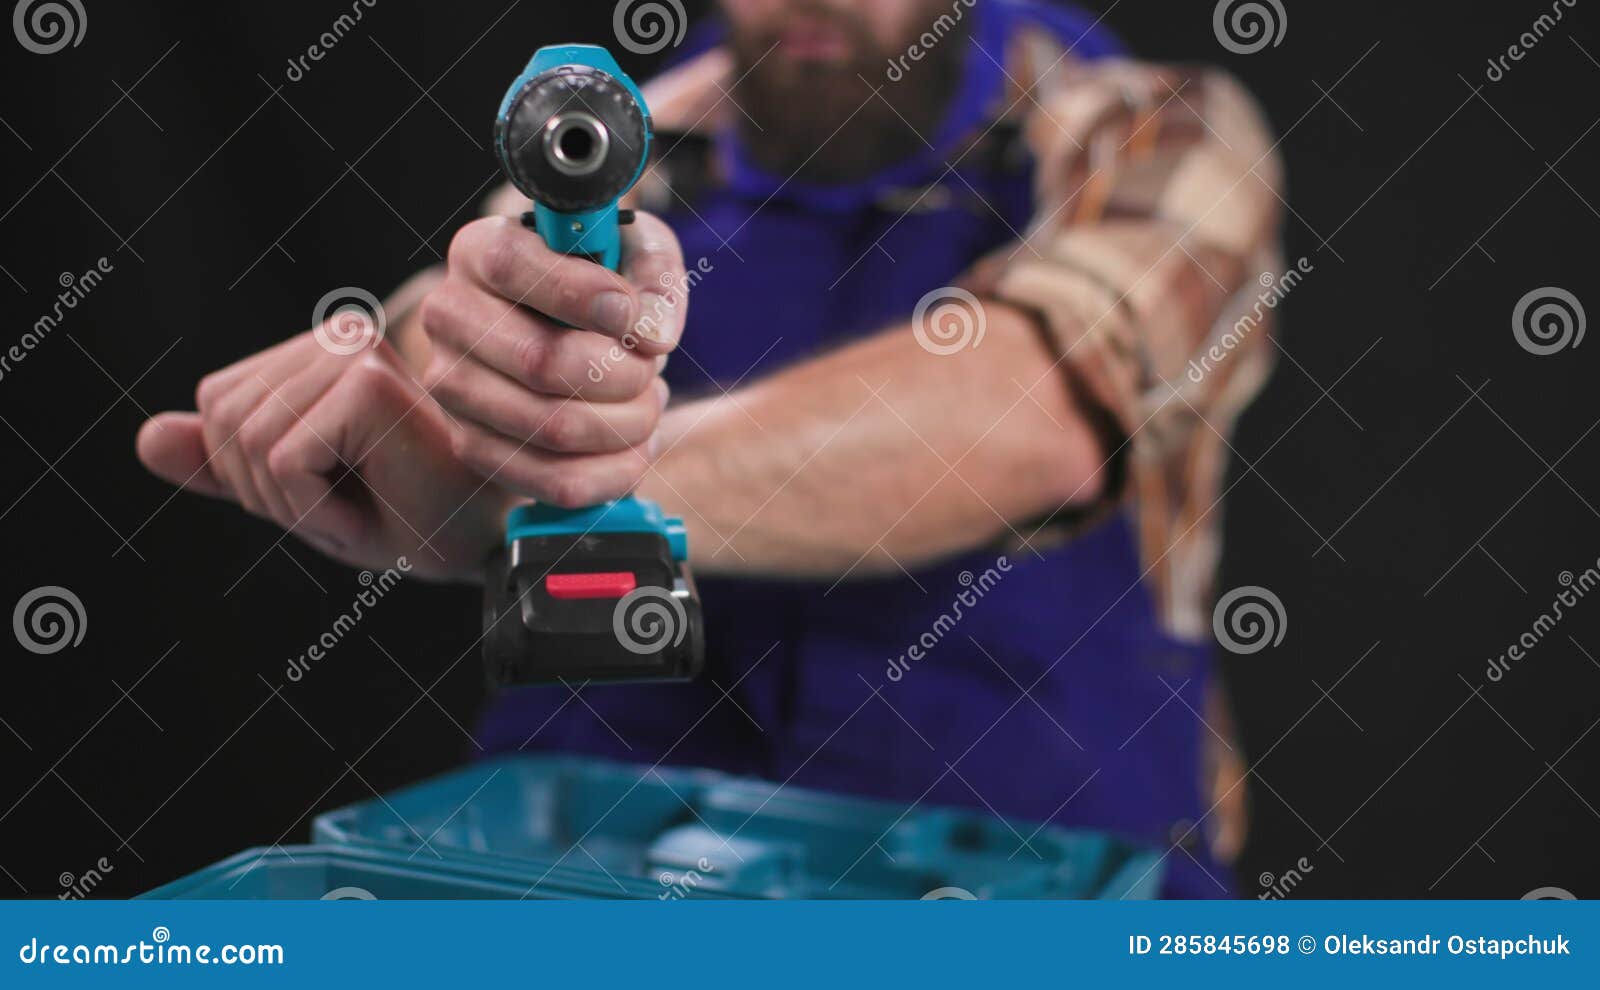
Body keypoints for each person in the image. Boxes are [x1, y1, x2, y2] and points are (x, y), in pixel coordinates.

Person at [136, 0, 1283, 897]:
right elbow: (439, 344)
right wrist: (414, 408)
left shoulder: (1152, 132)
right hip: (608, 876)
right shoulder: (607, 140)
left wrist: (573, 484)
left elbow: (1023, 419)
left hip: (1038, 888)